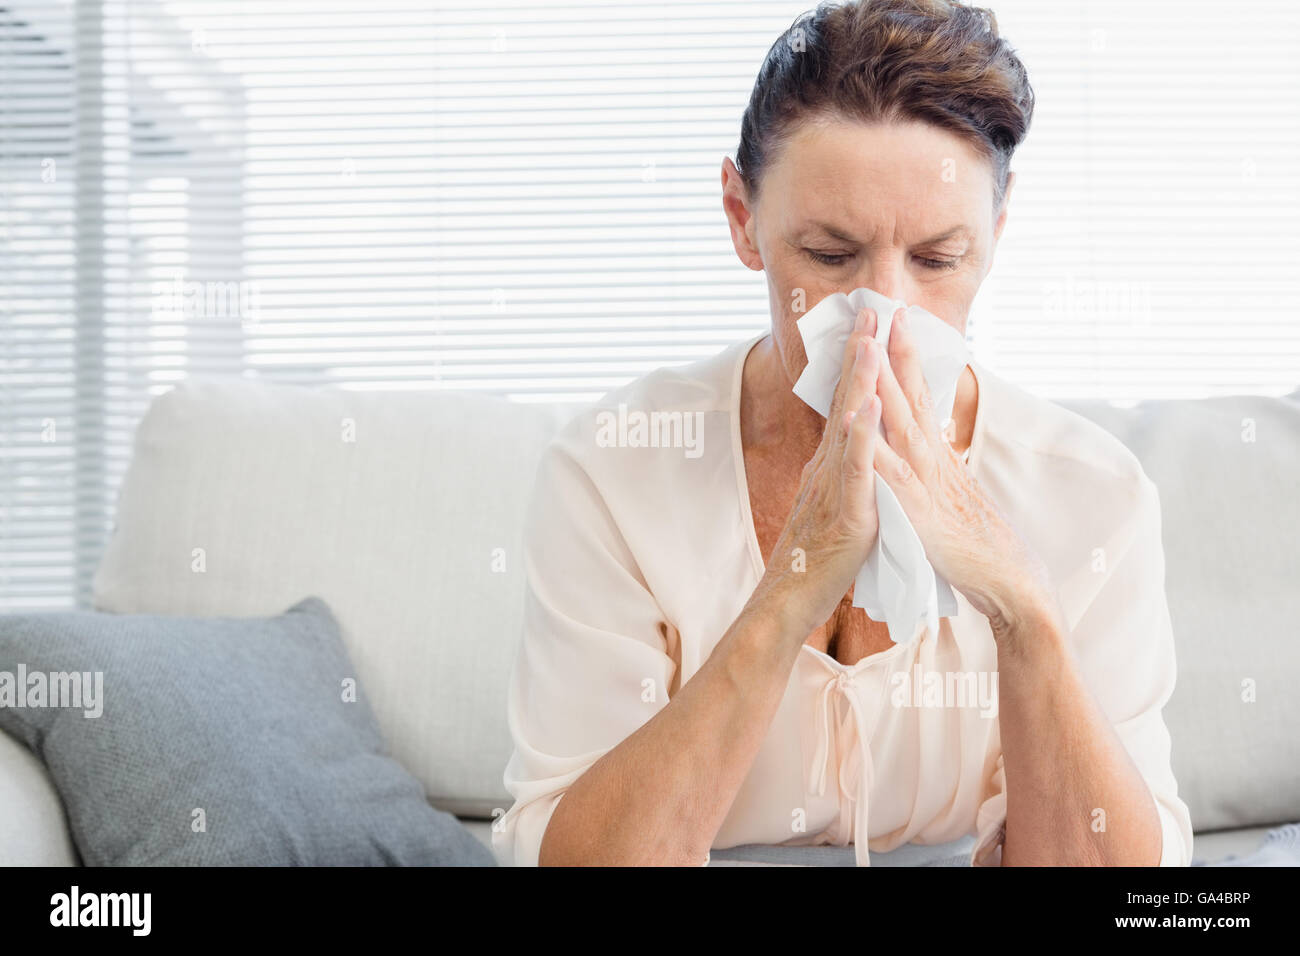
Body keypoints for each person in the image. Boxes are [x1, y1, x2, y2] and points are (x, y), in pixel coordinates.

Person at [493, 0, 1193, 867]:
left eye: (938, 259)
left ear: (995, 238)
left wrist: (1022, 612)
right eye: (828, 255)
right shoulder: (610, 476)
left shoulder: (1097, 498)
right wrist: (795, 582)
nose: (884, 313)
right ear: (742, 219)